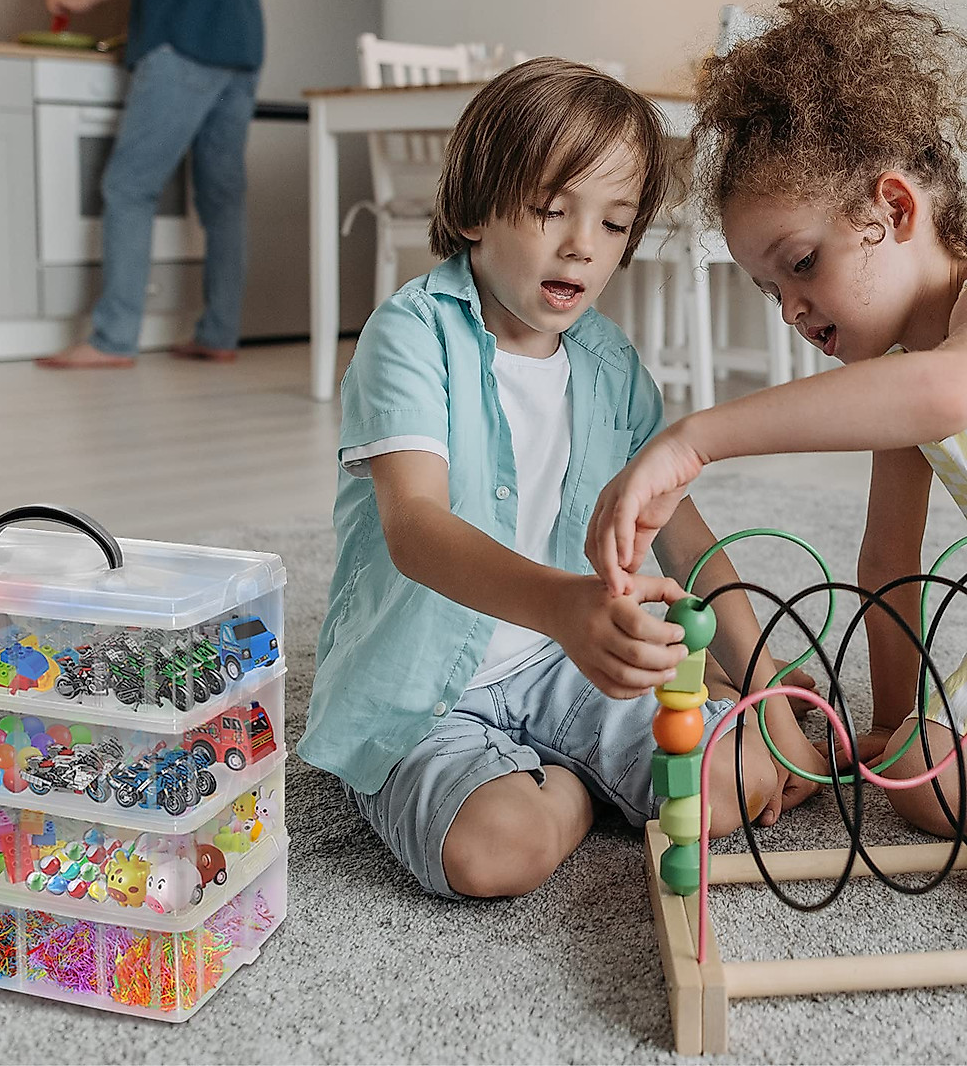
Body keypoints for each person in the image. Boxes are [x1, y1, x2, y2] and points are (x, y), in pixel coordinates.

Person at [296, 58, 822, 899]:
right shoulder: (409, 335)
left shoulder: (608, 364)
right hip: (425, 690)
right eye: (551, 210)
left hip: (564, 664)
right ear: (473, 209)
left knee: (740, 784)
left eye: (615, 225)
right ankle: (573, 788)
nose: (582, 244)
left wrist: (760, 689)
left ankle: (615, 743)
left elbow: (686, 538)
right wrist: (569, 609)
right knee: (495, 852)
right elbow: (416, 528)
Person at [585, 0, 967, 838]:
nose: (792, 310)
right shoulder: (896, 371)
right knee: (917, 776)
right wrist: (888, 724)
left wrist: (698, 438)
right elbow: (887, 565)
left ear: (895, 206)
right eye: (768, 291)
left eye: (801, 265)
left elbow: (949, 389)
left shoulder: (942, 350)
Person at [37, 0, 274, 369]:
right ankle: (219, 332)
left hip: (183, 41)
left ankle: (113, 338)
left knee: (130, 186)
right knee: (222, 200)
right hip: (243, 47)